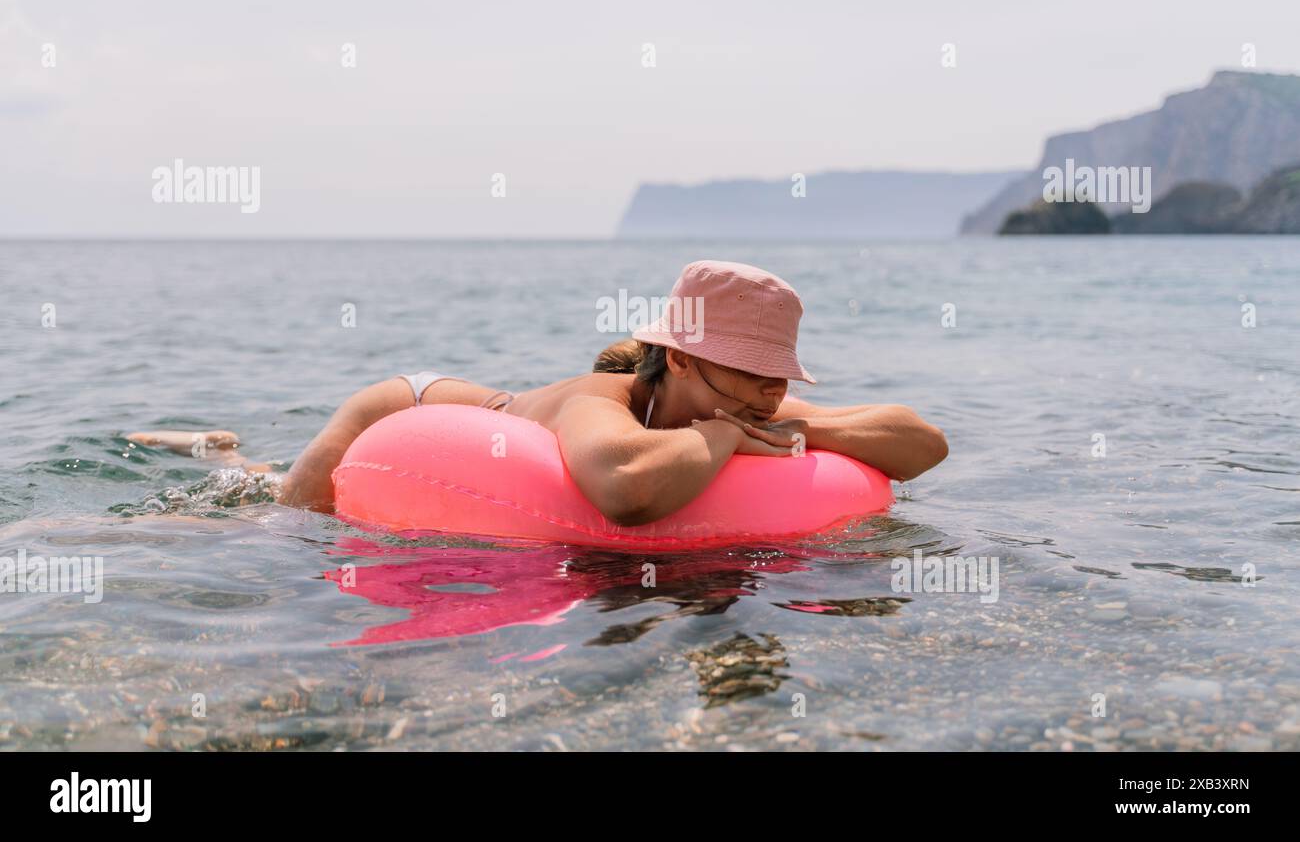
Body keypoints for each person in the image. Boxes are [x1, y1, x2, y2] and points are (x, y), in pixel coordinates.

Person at [130, 260, 947, 525]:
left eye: (783, 376)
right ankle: (215, 447)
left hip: (496, 409)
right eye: (754, 373)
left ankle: (232, 448)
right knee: (277, 517)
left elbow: (923, 443)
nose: (774, 393)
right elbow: (624, 488)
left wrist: (815, 430)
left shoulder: (753, 399)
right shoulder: (607, 400)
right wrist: (732, 440)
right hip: (412, 409)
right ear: (686, 361)